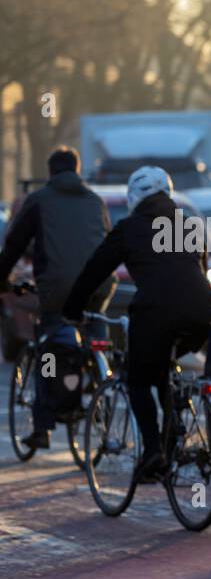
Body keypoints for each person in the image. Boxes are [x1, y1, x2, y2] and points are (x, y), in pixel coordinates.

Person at [64, 166, 211, 480]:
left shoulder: (130, 228)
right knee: (162, 369)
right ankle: (173, 430)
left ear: (134, 198)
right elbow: (200, 267)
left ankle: (153, 451)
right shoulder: (189, 225)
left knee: (137, 380)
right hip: (203, 309)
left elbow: (96, 269)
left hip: (157, 311)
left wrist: (72, 308)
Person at [0, 147, 116, 451]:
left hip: (59, 289)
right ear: (77, 170)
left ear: (51, 172)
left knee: (48, 348)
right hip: (100, 287)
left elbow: (14, 245)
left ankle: (43, 426)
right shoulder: (95, 200)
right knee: (92, 330)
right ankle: (98, 381)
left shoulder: (38, 200)